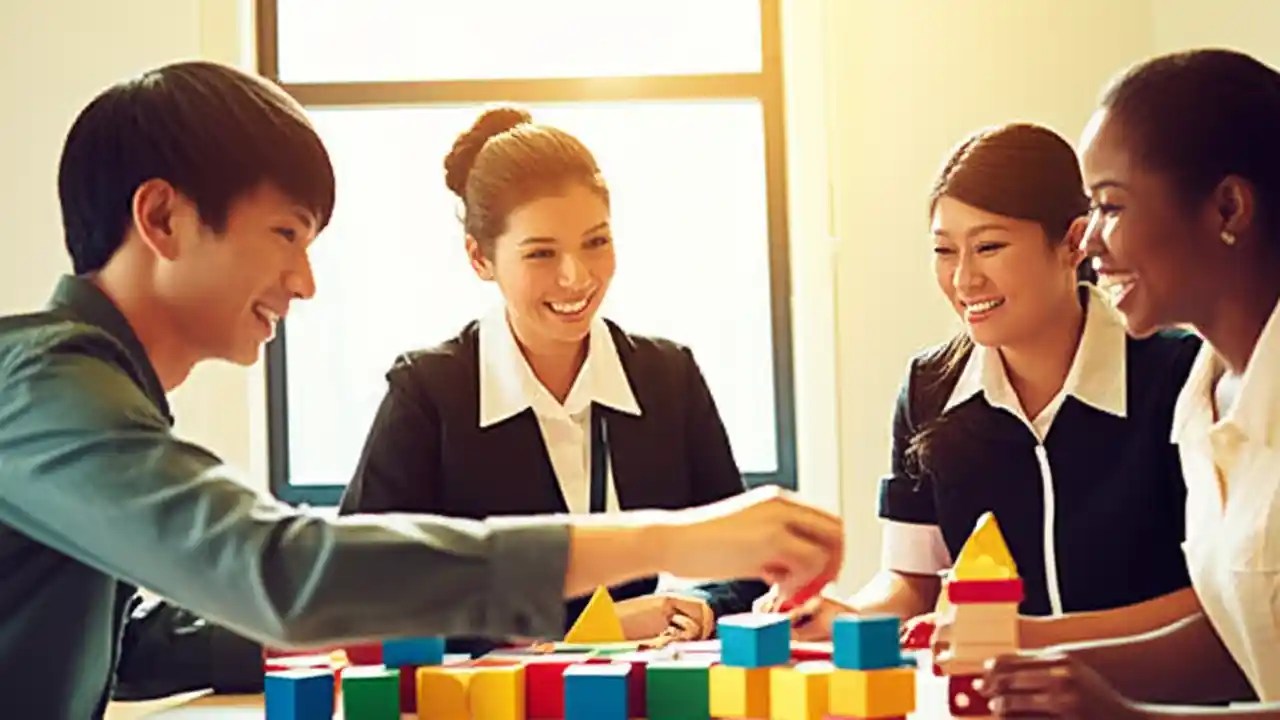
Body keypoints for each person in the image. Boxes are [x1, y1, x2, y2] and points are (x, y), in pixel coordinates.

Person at [0, 61, 843, 719]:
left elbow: (133, 646)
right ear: (162, 219)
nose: (304, 282)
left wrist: (343, 629)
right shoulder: (45, 385)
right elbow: (287, 573)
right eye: (286, 234)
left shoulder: (76, 390)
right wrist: (668, 540)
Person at [337, 106, 769, 650]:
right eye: (541, 253)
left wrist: (704, 606)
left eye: (596, 242)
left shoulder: (667, 377)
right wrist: (592, 629)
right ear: (480, 258)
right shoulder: (430, 392)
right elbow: (362, 590)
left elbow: (743, 558)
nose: (576, 277)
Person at [760, 123, 1199, 651]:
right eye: (945, 252)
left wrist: (1031, 640)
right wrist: (839, 616)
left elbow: (1216, 599)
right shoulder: (930, 389)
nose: (964, 280)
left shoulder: (1179, 375)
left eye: (989, 246)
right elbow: (912, 582)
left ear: (1074, 242)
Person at [984, 48, 1280, 719]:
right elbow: (1242, 633)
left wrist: (1128, 718)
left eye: (1110, 205)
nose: (1087, 241)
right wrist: (1034, 667)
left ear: (1229, 207)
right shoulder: (1204, 398)